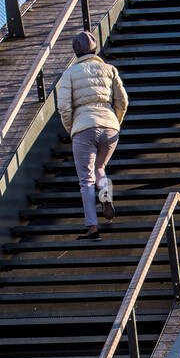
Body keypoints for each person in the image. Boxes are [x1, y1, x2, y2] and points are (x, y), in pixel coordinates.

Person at [57, 29, 128, 241]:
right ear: (95, 48)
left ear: (76, 52)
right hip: (110, 127)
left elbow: (63, 107)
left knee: (86, 180)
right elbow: (122, 101)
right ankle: (106, 195)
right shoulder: (110, 70)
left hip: (83, 128)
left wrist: (73, 129)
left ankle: (93, 228)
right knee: (99, 167)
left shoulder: (69, 74)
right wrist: (114, 122)